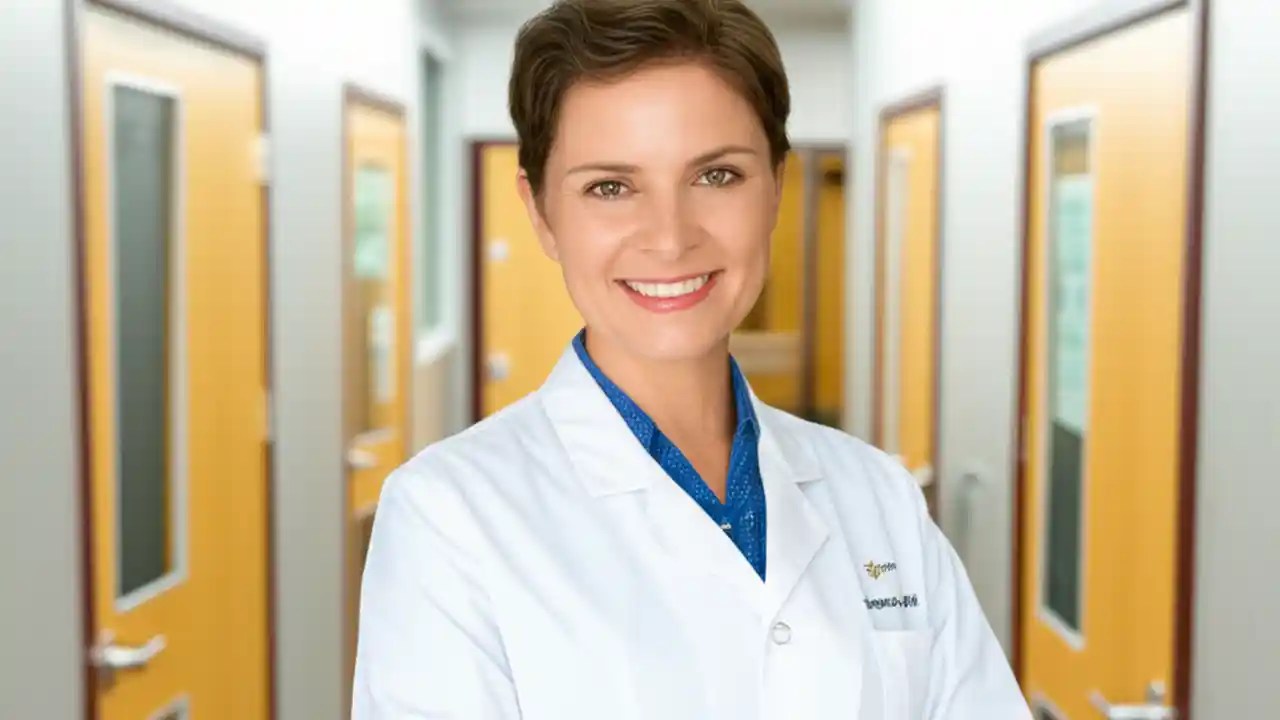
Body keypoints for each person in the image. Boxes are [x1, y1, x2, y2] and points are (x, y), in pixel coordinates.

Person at [352, 0, 1030, 717]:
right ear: (542, 214)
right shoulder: (448, 518)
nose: (670, 238)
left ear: (774, 185)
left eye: (716, 176)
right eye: (610, 188)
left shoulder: (879, 497)